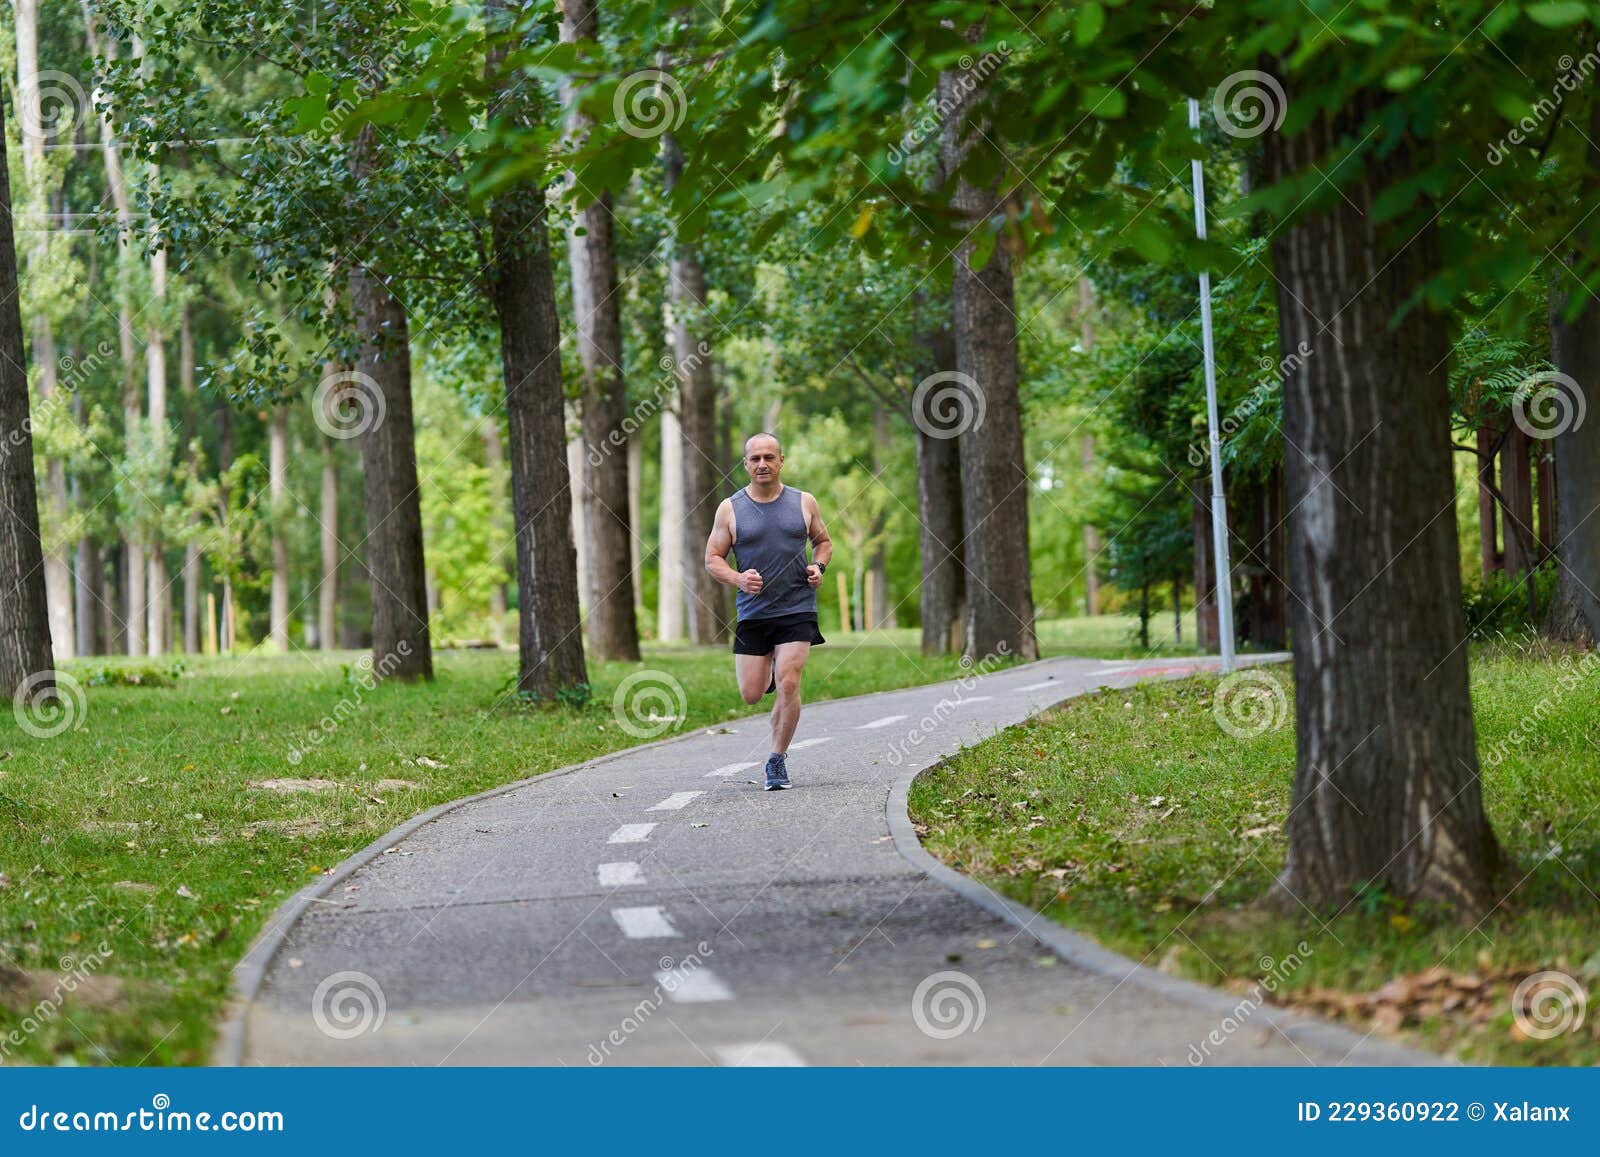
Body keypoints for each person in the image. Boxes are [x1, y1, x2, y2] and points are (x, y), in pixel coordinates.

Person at [705, 432, 833, 790]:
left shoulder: (804, 502)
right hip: (753, 612)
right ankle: (771, 675)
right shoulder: (730, 508)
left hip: (796, 607)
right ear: (745, 464)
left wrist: (818, 568)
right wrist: (738, 578)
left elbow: (822, 542)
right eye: (755, 458)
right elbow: (712, 558)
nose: (762, 464)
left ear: (781, 461)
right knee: (751, 693)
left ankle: (776, 760)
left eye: (769, 457)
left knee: (790, 683)